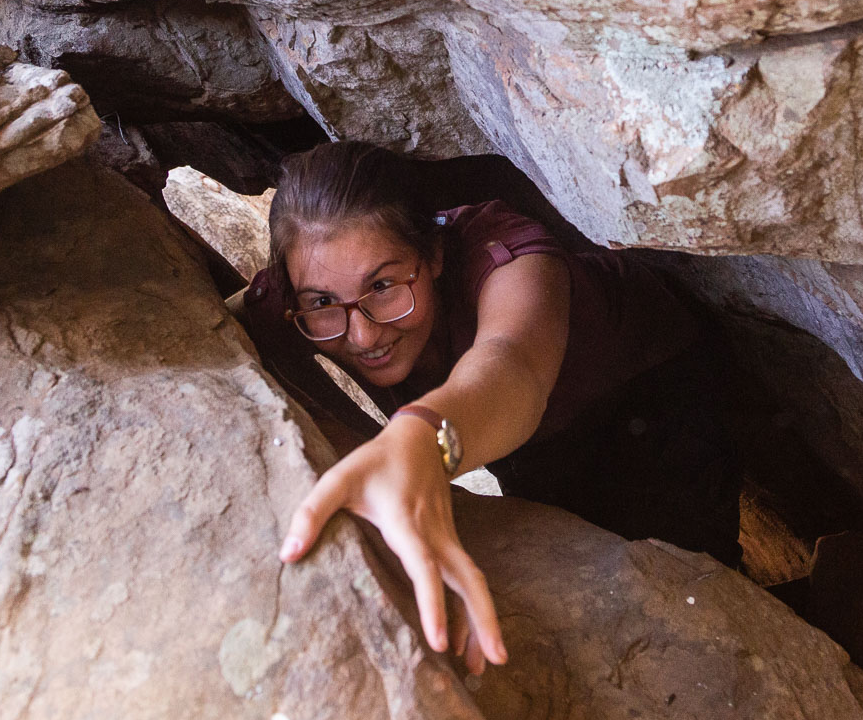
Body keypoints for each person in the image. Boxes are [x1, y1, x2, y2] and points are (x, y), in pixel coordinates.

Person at [234, 141, 748, 680]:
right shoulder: (292, 307)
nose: (362, 334)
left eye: (383, 285)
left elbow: (512, 367)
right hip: (516, 432)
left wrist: (419, 441)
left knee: (691, 576)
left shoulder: (509, 256)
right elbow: (241, 318)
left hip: (652, 391)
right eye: (321, 302)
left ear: (434, 254)